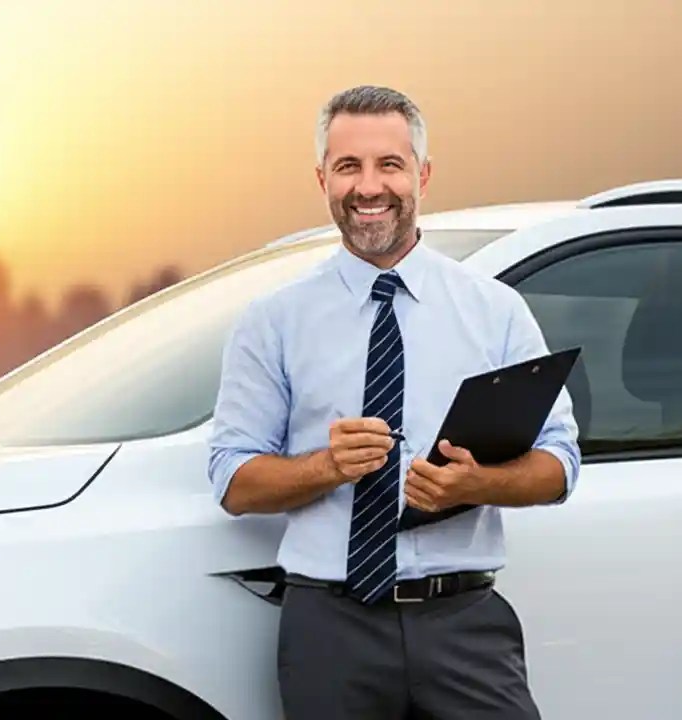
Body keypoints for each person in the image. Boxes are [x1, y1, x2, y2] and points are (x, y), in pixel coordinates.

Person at [207, 85, 581, 719]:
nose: (368, 186)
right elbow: (232, 481)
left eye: (389, 165)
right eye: (348, 167)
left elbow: (560, 465)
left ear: (423, 176)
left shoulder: (493, 311)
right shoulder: (274, 320)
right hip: (331, 631)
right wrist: (325, 467)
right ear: (323, 178)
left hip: (464, 624)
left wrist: (476, 484)